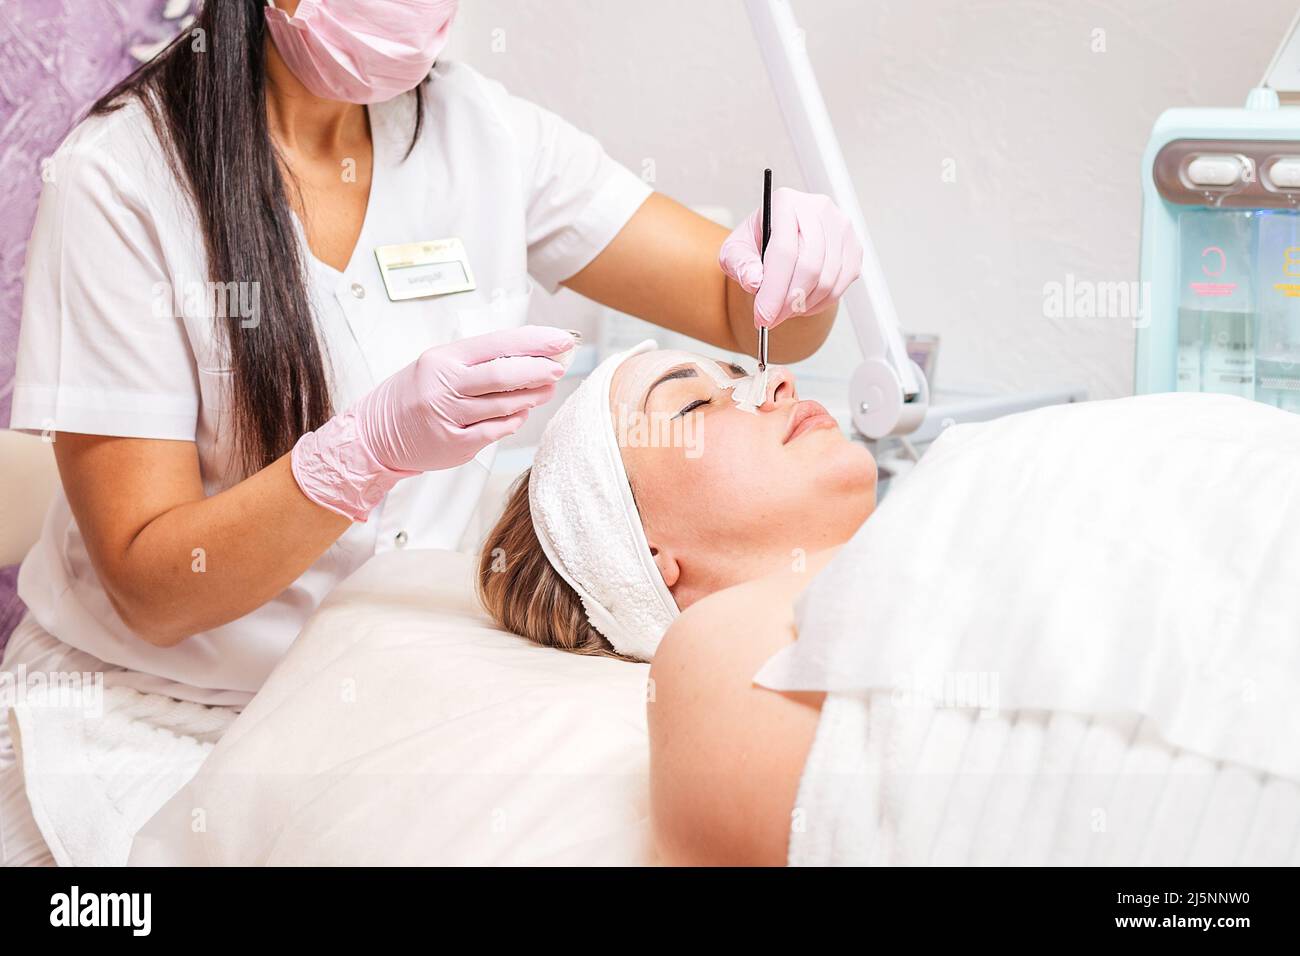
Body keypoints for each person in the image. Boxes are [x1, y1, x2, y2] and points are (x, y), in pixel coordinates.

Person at [1, 0, 865, 866]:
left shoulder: (484, 132)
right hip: (152, 720)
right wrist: (356, 457)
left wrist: (803, 278)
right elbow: (157, 592)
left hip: (381, 693)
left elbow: (749, 313)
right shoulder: (120, 180)